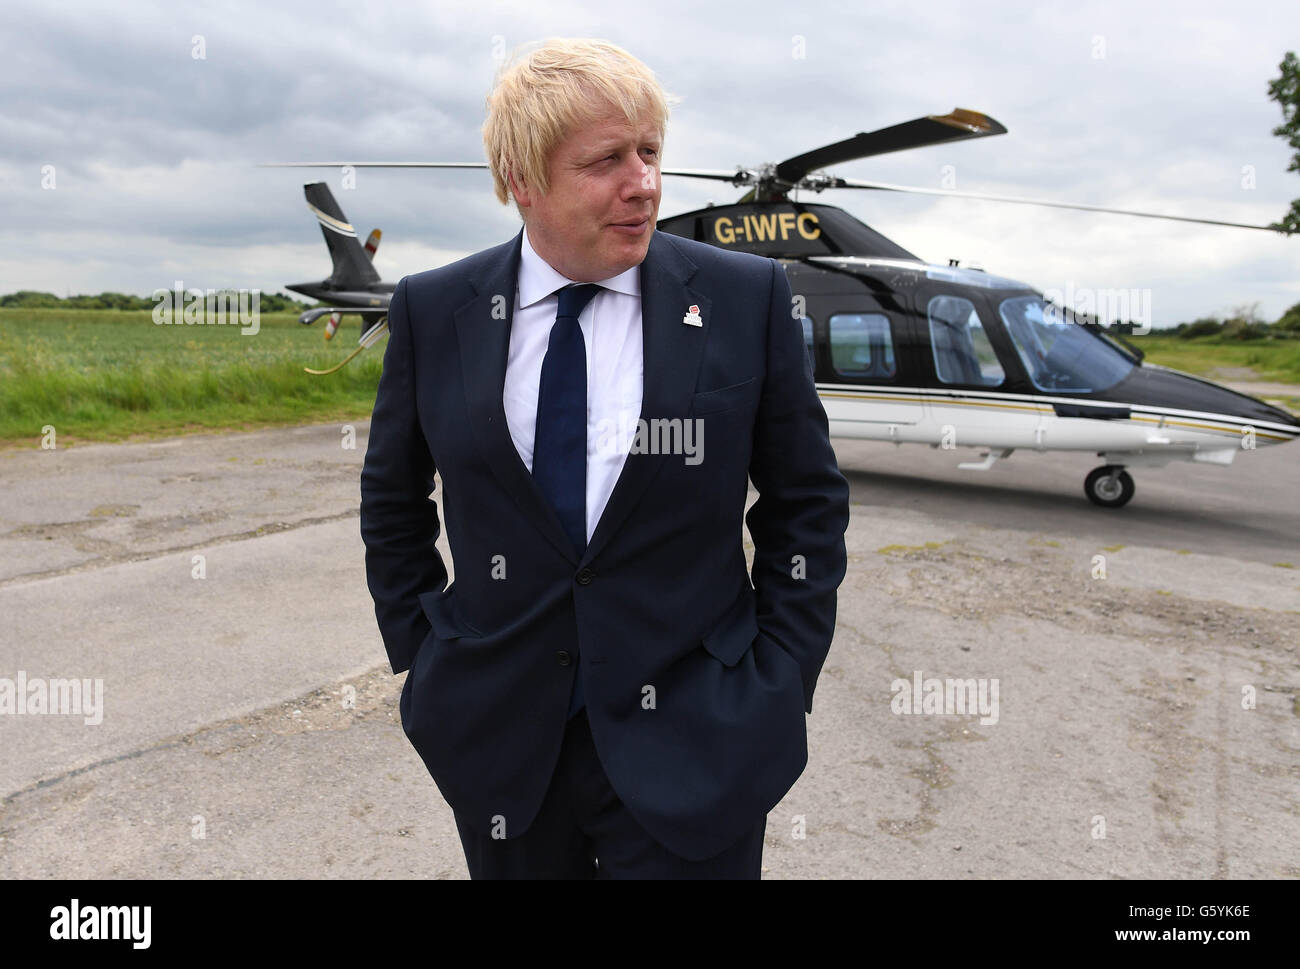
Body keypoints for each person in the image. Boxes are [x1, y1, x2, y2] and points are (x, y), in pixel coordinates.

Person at [360, 37, 850, 879]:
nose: (644, 183)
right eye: (606, 161)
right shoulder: (434, 310)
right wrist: (426, 652)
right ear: (522, 180)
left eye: (650, 152)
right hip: (503, 742)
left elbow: (806, 501)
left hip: (700, 743)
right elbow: (392, 500)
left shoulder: (745, 299)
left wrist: (780, 675)